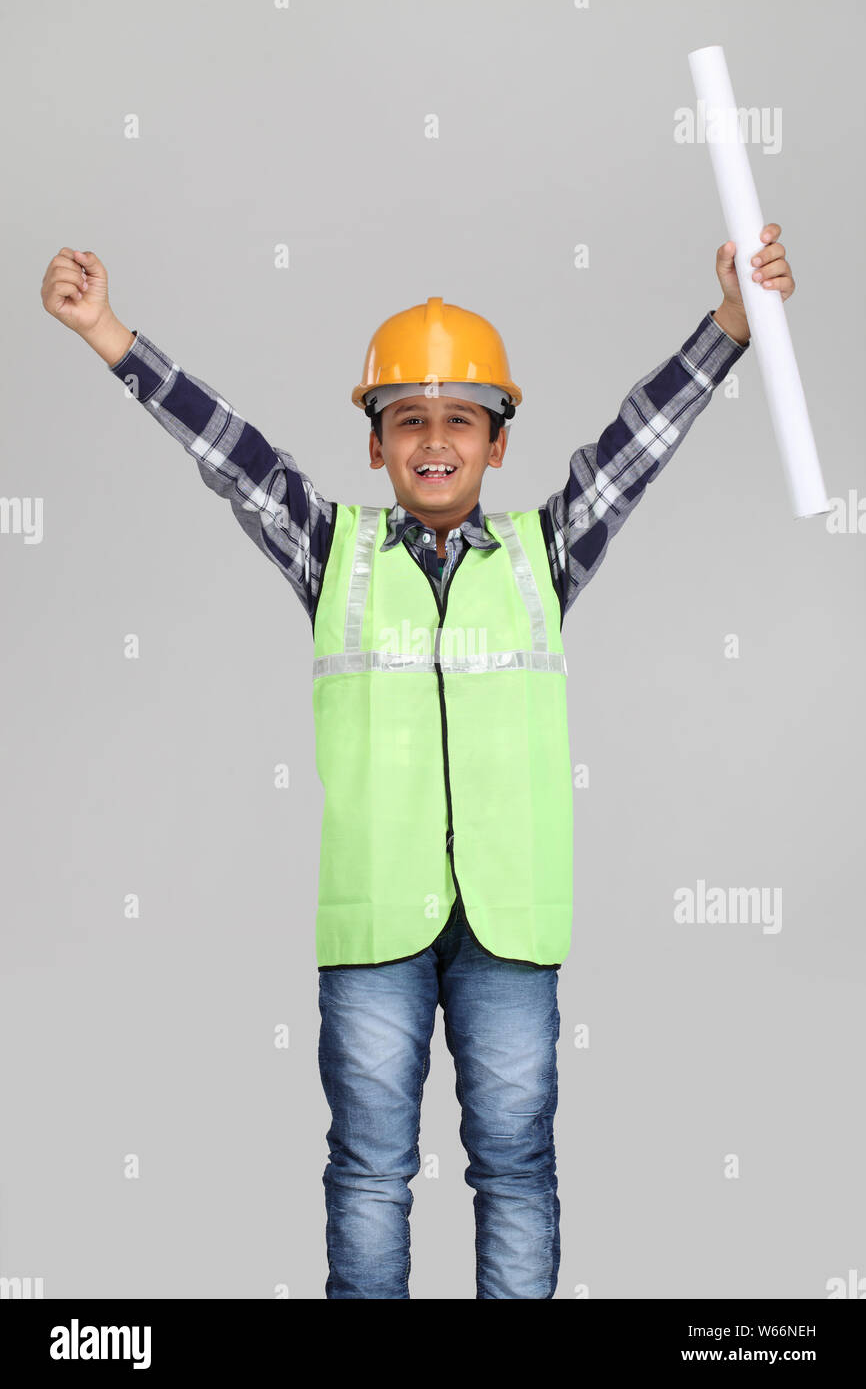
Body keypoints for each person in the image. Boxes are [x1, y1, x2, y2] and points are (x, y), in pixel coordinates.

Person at [40, 230, 795, 1297]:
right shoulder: (328, 548)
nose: (432, 440)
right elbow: (230, 453)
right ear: (374, 442)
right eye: (407, 420)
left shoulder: (547, 550)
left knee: (517, 1171)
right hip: (374, 926)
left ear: (495, 443)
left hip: (509, 923)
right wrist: (107, 335)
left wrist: (727, 323)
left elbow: (641, 440)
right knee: (367, 1174)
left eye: (458, 420)